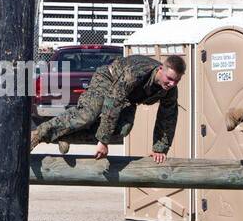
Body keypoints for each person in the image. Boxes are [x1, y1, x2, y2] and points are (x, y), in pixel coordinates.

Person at [30, 53, 184, 163]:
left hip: (127, 96)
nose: (172, 84)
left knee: (122, 130)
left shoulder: (170, 90)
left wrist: (160, 148)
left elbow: (168, 118)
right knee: (88, 115)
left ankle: (64, 136)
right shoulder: (137, 72)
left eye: (176, 81)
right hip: (108, 79)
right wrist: (103, 141)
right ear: (160, 70)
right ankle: (39, 133)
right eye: (169, 79)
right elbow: (114, 101)